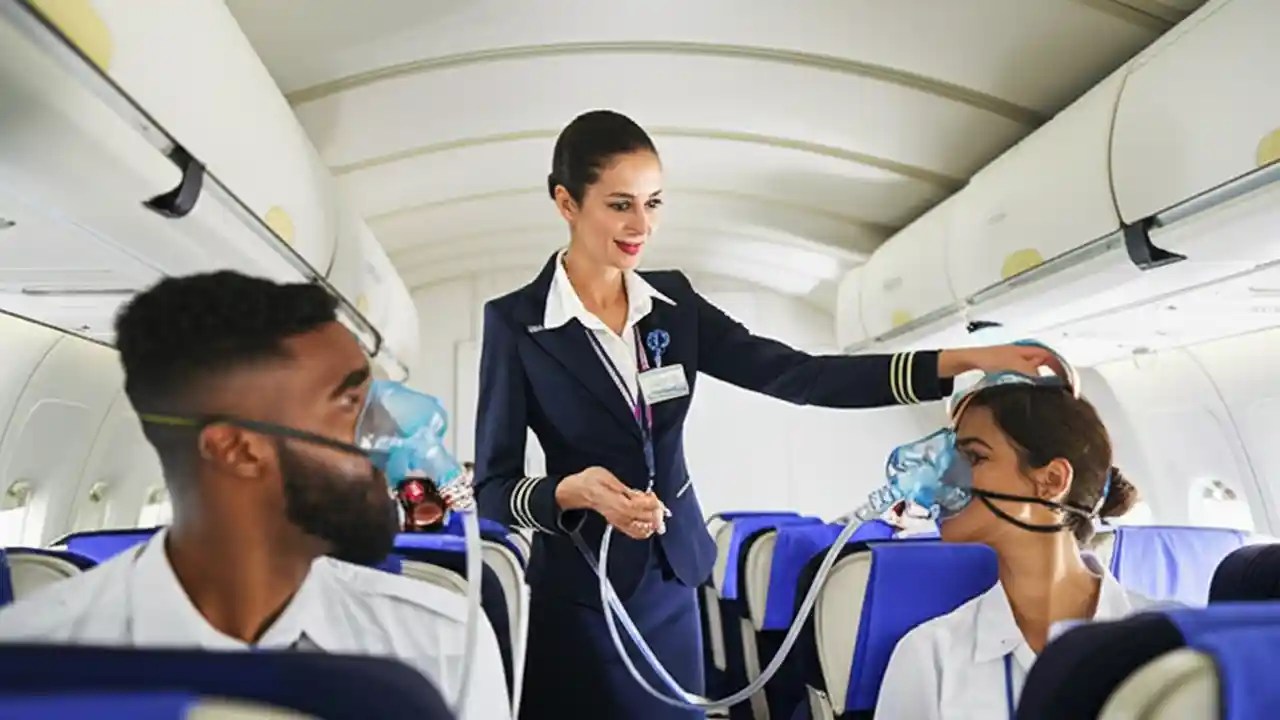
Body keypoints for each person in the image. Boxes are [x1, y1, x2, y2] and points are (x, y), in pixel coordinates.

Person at [472, 108, 1070, 719]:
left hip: (674, 579)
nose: (641, 226)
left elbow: (801, 375)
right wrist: (571, 492)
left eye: (654, 203)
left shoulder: (672, 303)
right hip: (580, 597)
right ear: (566, 203)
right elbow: (493, 491)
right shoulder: (518, 324)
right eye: (620, 205)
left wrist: (961, 359)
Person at [0, 272, 509, 720]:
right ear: (239, 451)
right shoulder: (35, 653)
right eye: (351, 401)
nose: (390, 434)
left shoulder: (439, 639)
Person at [875, 382, 1148, 720]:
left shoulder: (1165, 639)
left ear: (1051, 480)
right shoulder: (931, 656)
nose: (944, 477)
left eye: (973, 456)